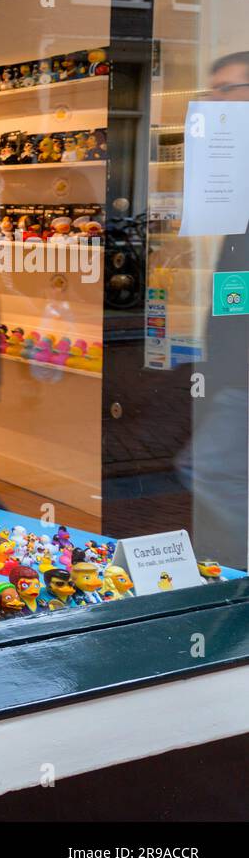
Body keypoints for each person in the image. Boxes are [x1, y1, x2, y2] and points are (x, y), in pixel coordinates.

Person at [175, 51, 249, 563]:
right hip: (233, 367)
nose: (214, 101)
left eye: (226, 89)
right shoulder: (233, 167)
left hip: (240, 374)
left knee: (207, 467)